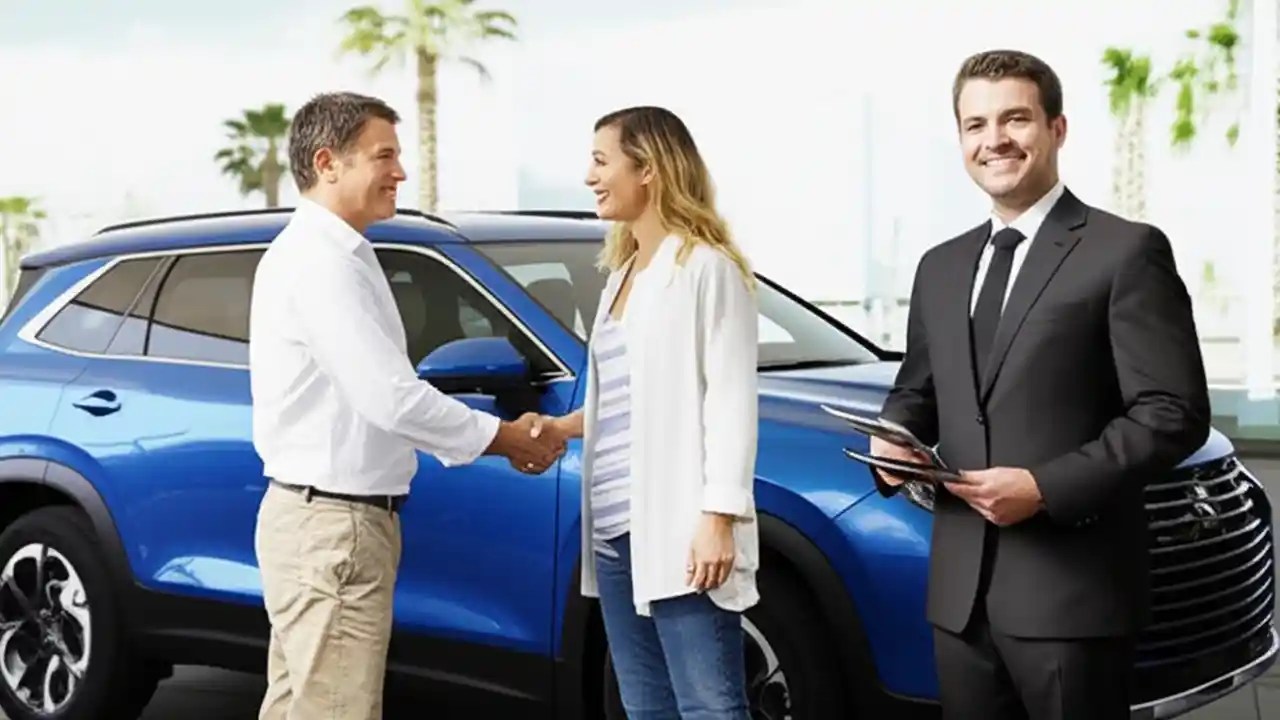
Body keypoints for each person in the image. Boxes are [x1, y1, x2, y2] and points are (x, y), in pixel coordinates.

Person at [870, 50, 1211, 719]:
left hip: (1072, 598)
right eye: (975, 124)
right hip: (959, 601)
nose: (993, 139)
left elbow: (1172, 414)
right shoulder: (940, 267)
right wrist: (893, 437)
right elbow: (918, 391)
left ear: (1056, 128)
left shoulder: (1125, 251)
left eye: (1015, 118)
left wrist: (1045, 488)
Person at [248, 91, 564, 720]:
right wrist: (504, 437)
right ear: (328, 162)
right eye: (383, 155)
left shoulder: (333, 254)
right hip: (335, 529)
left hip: (323, 525)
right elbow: (388, 396)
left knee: (299, 708)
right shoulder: (321, 264)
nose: (399, 171)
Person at [536, 105, 760, 718]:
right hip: (612, 533)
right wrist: (560, 427)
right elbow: (627, 399)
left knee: (709, 704)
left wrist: (719, 516)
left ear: (651, 169)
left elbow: (732, 401)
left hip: (679, 526)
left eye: (601, 160)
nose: (589, 176)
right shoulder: (621, 274)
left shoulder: (706, 269)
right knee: (645, 706)